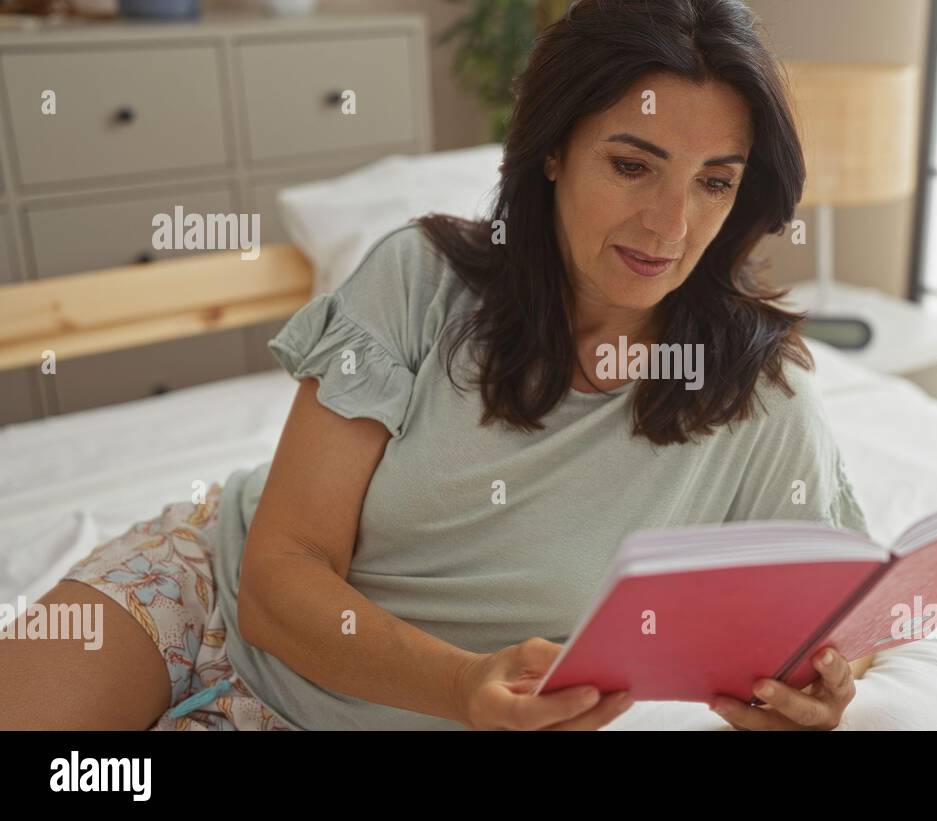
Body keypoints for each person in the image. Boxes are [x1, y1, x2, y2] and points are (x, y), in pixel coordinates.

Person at [0, 0, 873, 731]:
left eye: (713, 182)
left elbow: (850, 606)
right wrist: (460, 682)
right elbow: (278, 574)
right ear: (554, 151)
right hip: (208, 588)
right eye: (632, 165)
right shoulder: (418, 278)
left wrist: (824, 681)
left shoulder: (758, 397)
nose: (668, 225)